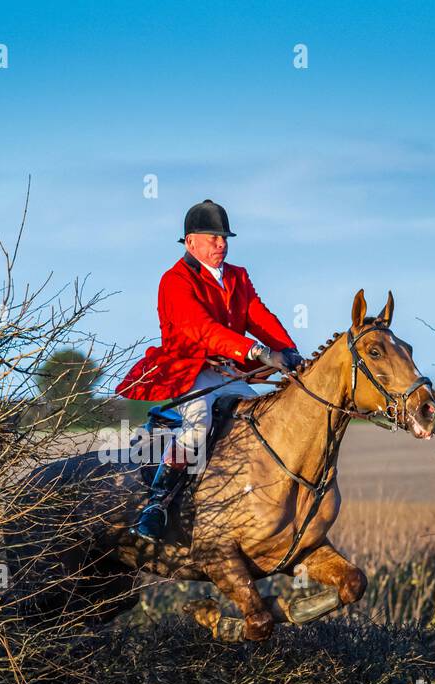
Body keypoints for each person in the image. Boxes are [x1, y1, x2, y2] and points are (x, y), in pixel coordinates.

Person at [116, 199, 303, 542]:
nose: (222, 243)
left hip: (229, 371)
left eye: (224, 238)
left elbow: (259, 316)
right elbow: (202, 329)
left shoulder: (238, 276)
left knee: (260, 419)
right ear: (190, 242)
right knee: (199, 424)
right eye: (213, 237)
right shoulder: (174, 280)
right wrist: (259, 351)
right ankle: (157, 505)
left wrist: (288, 351)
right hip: (190, 370)